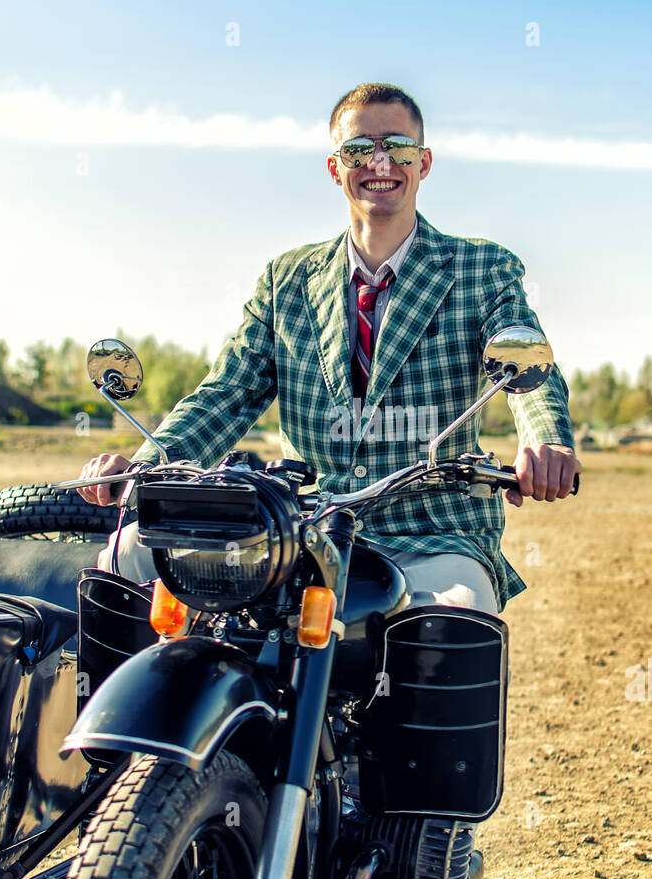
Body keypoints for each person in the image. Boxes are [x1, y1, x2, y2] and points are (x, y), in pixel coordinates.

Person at [78, 81, 579, 613]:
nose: (379, 162)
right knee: (130, 557)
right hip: (301, 524)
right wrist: (145, 467)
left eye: (398, 148)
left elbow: (529, 370)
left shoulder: (482, 268)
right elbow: (228, 392)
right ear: (335, 167)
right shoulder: (286, 278)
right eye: (359, 149)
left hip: (431, 531)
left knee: (457, 611)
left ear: (424, 162)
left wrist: (546, 441)